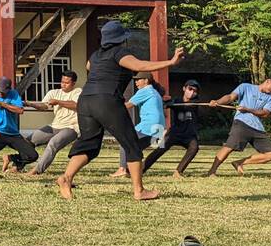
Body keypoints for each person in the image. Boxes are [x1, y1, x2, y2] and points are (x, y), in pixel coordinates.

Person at [55, 20, 185, 200]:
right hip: (107, 100)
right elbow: (139, 66)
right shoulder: (120, 52)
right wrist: (170, 62)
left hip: (85, 100)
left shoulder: (95, 55)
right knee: (132, 145)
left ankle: (66, 178)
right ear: (122, 39)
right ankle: (139, 191)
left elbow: (88, 67)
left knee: (89, 144)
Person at [206, 77, 271, 175]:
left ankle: (239, 163)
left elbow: (265, 113)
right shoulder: (245, 87)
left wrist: (248, 110)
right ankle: (212, 171)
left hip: (257, 128)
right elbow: (230, 97)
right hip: (241, 123)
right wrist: (217, 102)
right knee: (229, 147)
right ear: (268, 81)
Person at [22, 72, 81, 176]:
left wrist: (58, 102)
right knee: (28, 141)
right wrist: (29, 104)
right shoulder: (53, 92)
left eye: (67, 83)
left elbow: (76, 105)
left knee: (53, 143)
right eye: (62, 82)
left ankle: (37, 170)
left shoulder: (78, 91)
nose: (63, 84)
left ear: (73, 83)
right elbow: (44, 106)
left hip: (71, 127)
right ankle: (18, 165)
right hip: (55, 126)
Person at [142, 79, 203, 177]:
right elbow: (164, 105)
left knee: (194, 148)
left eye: (195, 91)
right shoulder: (176, 101)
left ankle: (178, 172)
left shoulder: (196, 102)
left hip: (189, 135)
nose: (192, 93)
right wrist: (167, 103)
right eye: (190, 89)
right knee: (160, 149)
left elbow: (188, 106)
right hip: (174, 133)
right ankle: (142, 169)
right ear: (184, 88)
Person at [109, 73, 166, 177]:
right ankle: (136, 169)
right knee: (135, 148)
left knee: (125, 142)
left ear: (146, 80)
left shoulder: (144, 91)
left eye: (139, 80)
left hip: (149, 125)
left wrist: (109, 109)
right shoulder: (155, 92)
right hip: (159, 128)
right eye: (135, 80)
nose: (136, 82)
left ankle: (122, 169)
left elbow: (127, 105)